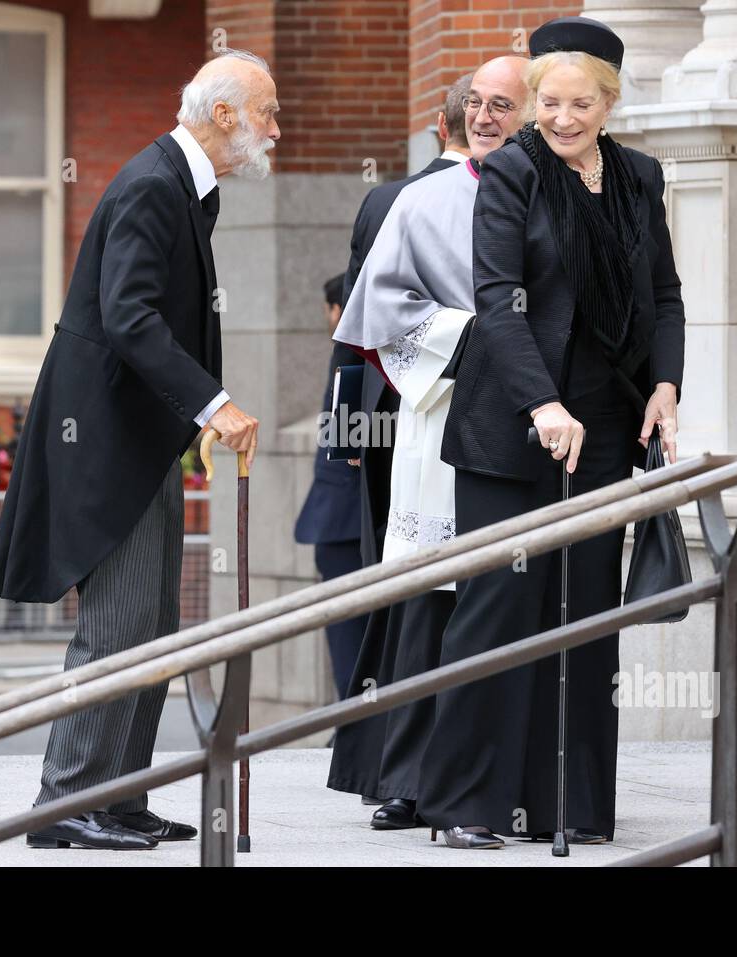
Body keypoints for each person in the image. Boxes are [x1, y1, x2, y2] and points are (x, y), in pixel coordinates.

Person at [0, 50, 276, 851]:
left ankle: (115, 796)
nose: (273, 130)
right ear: (224, 115)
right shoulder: (153, 184)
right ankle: (64, 803)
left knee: (150, 620)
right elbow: (130, 317)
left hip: (135, 438)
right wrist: (216, 405)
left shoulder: (175, 183)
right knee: (116, 626)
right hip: (104, 441)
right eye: (267, 114)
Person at [418, 17, 686, 850]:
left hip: (607, 424)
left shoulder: (640, 178)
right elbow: (497, 298)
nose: (562, 117)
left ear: (609, 103)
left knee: (585, 613)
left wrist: (667, 388)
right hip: (513, 427)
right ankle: (466, 802)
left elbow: (666, 295)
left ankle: (569, 801)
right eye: (549, 102)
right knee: (498, 610)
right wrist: (542, 404)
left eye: (580, 102)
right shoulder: (510, 174)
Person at [325, 57, 530, 830]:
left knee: (501, 596)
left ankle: (494, 781)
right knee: (427, 602)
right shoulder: (418, 200)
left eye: (501, 105)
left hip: (530, 430)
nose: (483, 117)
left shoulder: (553, 199)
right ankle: (409, 777)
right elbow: (374, 317)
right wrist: (483, 338)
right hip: (440, 414)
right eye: (474, 104)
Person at [326, 74, 472, 808]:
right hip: (436, 419)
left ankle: (388, 770)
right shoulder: (403, 201)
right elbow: (358, 319)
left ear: (433, 128)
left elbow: (348, 342)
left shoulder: (384, 197)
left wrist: (343, 431)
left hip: (392, 421)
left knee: (402, 594)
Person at [294, 275, 369, 698]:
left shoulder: (349, 342)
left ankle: (352, 739)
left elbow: (345, 439)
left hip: (346, 526)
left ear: (335, 311)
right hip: (357, 524)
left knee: (349, 654)